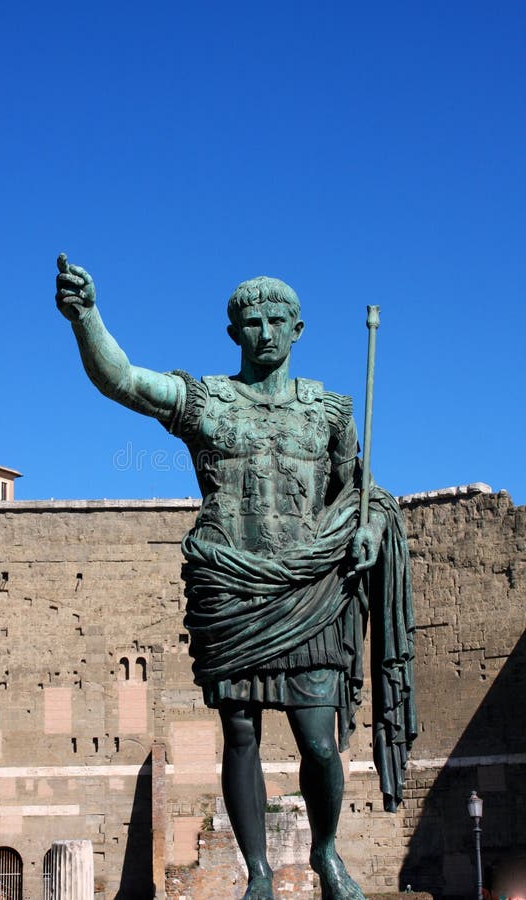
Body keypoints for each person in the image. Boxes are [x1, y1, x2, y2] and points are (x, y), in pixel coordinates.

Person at [56, 255, 416, 900]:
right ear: (234, 333)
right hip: (232, 589)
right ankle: (258, 873)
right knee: (241, 732)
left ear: (299, 329)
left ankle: (327, 854)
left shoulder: (329, 411)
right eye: (252, 323)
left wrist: (369, 530)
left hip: (310, 591)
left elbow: (359, 492)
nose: (266, 333)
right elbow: (121, 380)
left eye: (278, 321)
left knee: (319, 740)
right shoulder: (207, 404)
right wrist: (86, 316)